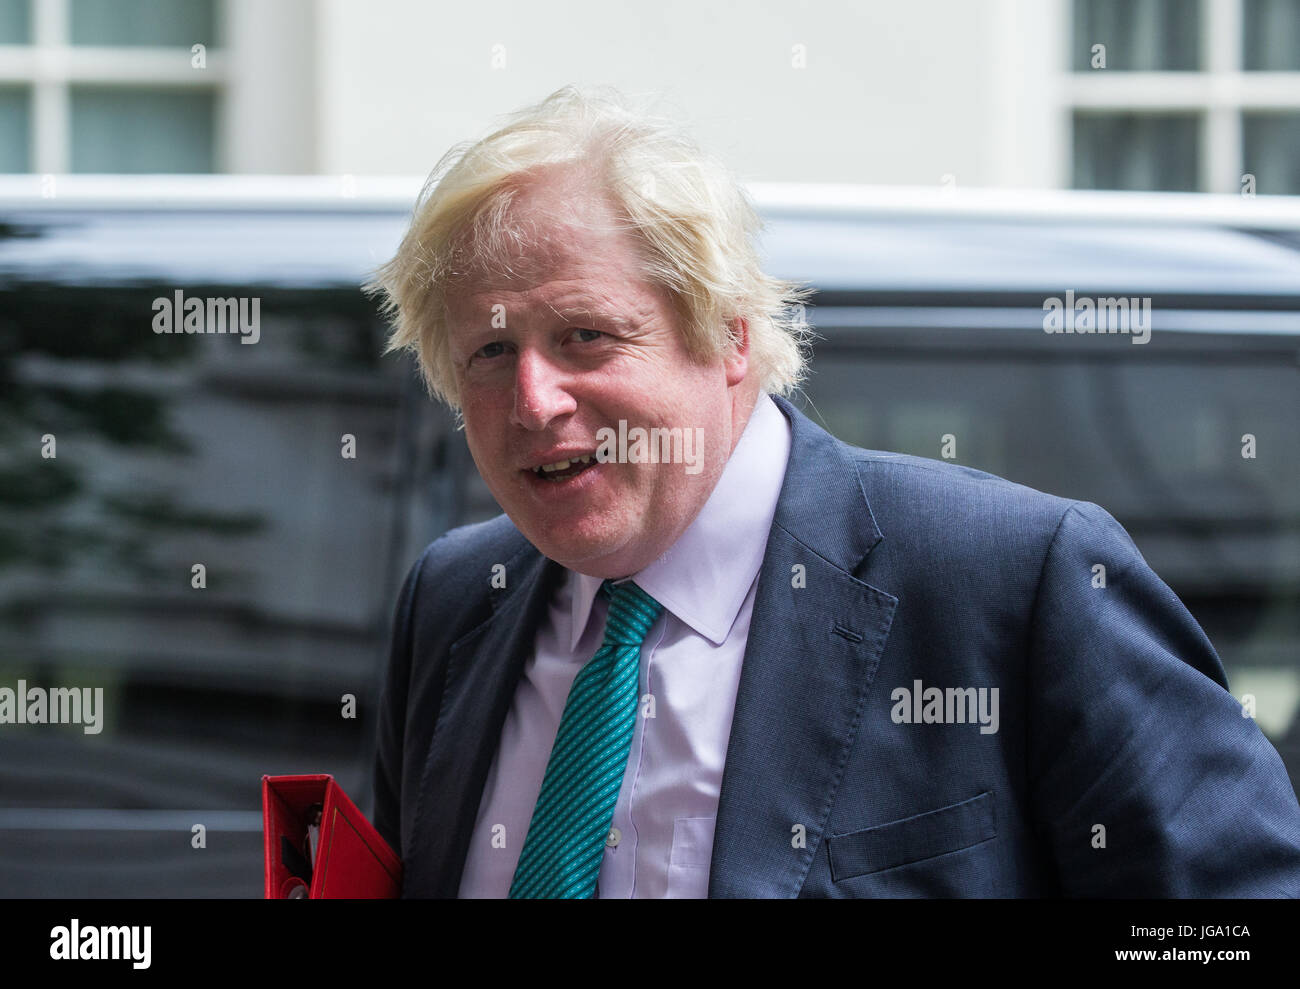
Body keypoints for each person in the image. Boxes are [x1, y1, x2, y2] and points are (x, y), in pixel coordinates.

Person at [364, 85, 1300, 898]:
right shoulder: (454, 599)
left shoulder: (1012, 579)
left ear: (730, 336)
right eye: (489, 352)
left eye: (586, 336)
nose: (533, 400)